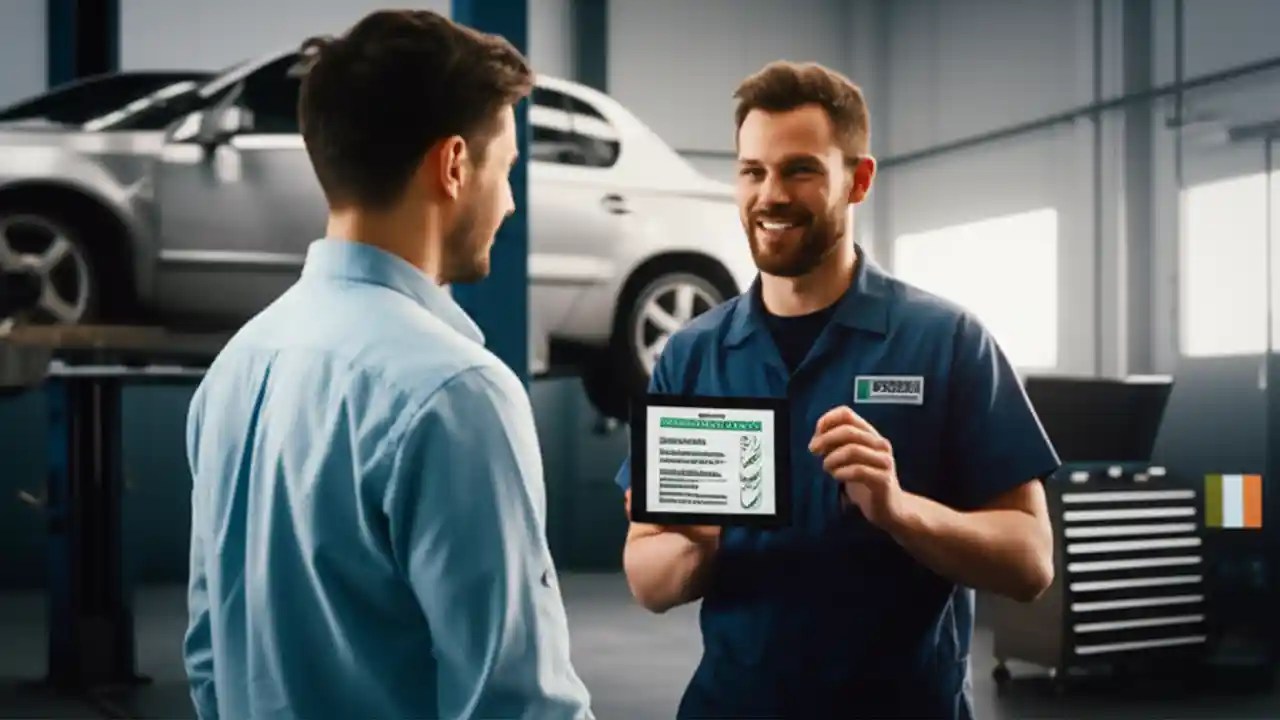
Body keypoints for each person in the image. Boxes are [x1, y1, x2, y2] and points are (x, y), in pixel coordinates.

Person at [616, 60, 1060, 719]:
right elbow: (647, 581)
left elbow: (1030, 563)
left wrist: (899, 510)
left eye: (800, 169)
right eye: (753, 171)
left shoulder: (947, 342)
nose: (771, 194)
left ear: (858, 179)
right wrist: (704, 537)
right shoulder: (692, 353)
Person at [183, 10, 593, 720]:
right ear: (455, 165)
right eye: (507, 171)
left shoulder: (236, 367)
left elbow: (209, 658)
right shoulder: (456, 393)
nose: (511, 202)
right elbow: (514, 701)